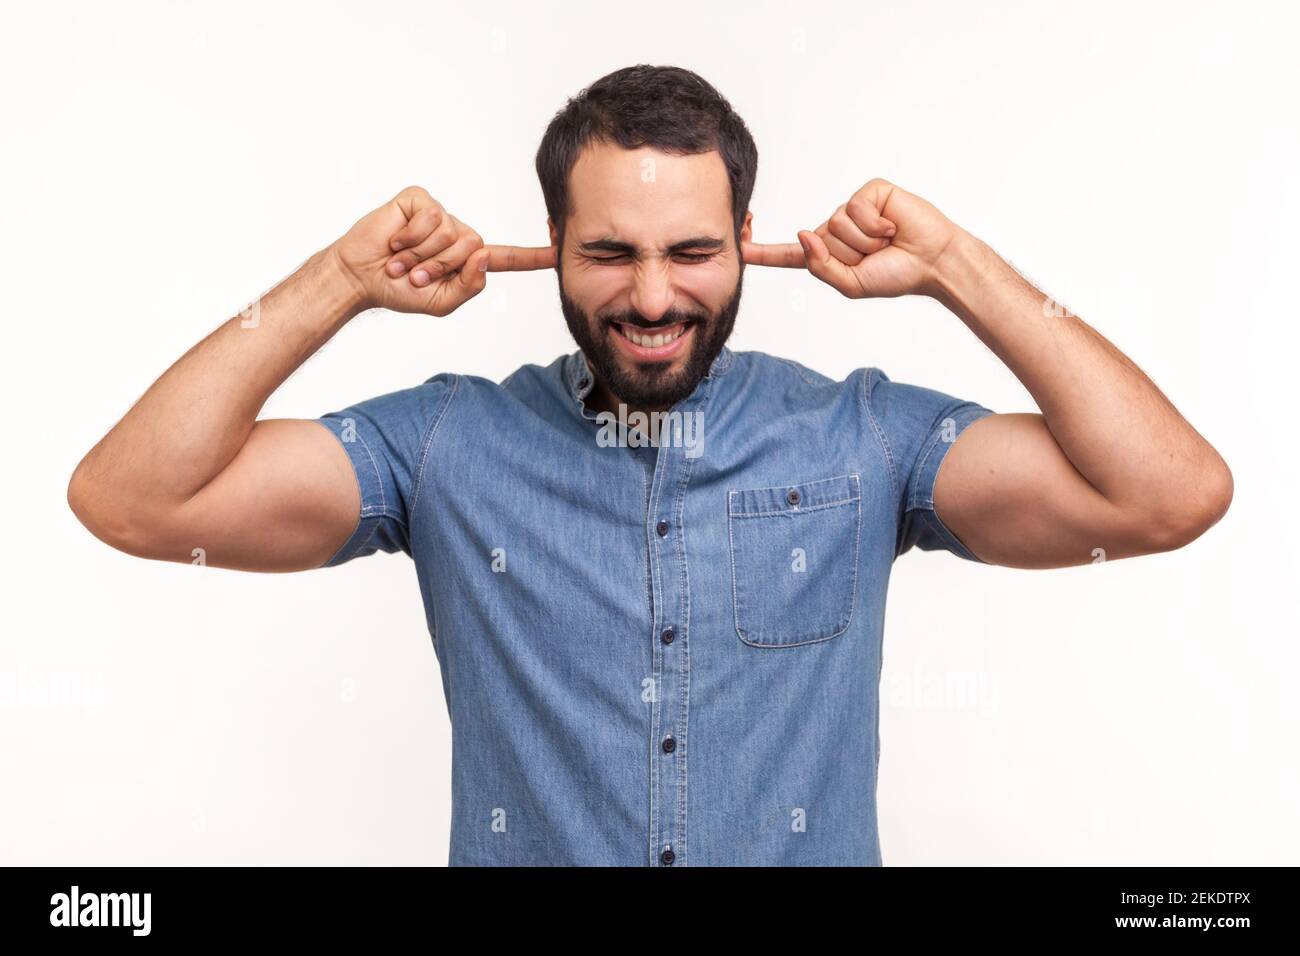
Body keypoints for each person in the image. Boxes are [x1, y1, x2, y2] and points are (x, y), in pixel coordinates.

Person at [67, 65, 1232, 866]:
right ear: (550, 250)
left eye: (691, 250)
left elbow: (1169, 492)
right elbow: (130, 499)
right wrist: (338, 279)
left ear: (747, 242)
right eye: (609, 252)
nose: (653, 295)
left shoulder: (862, 438)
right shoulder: (446, 447)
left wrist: (955, 266)